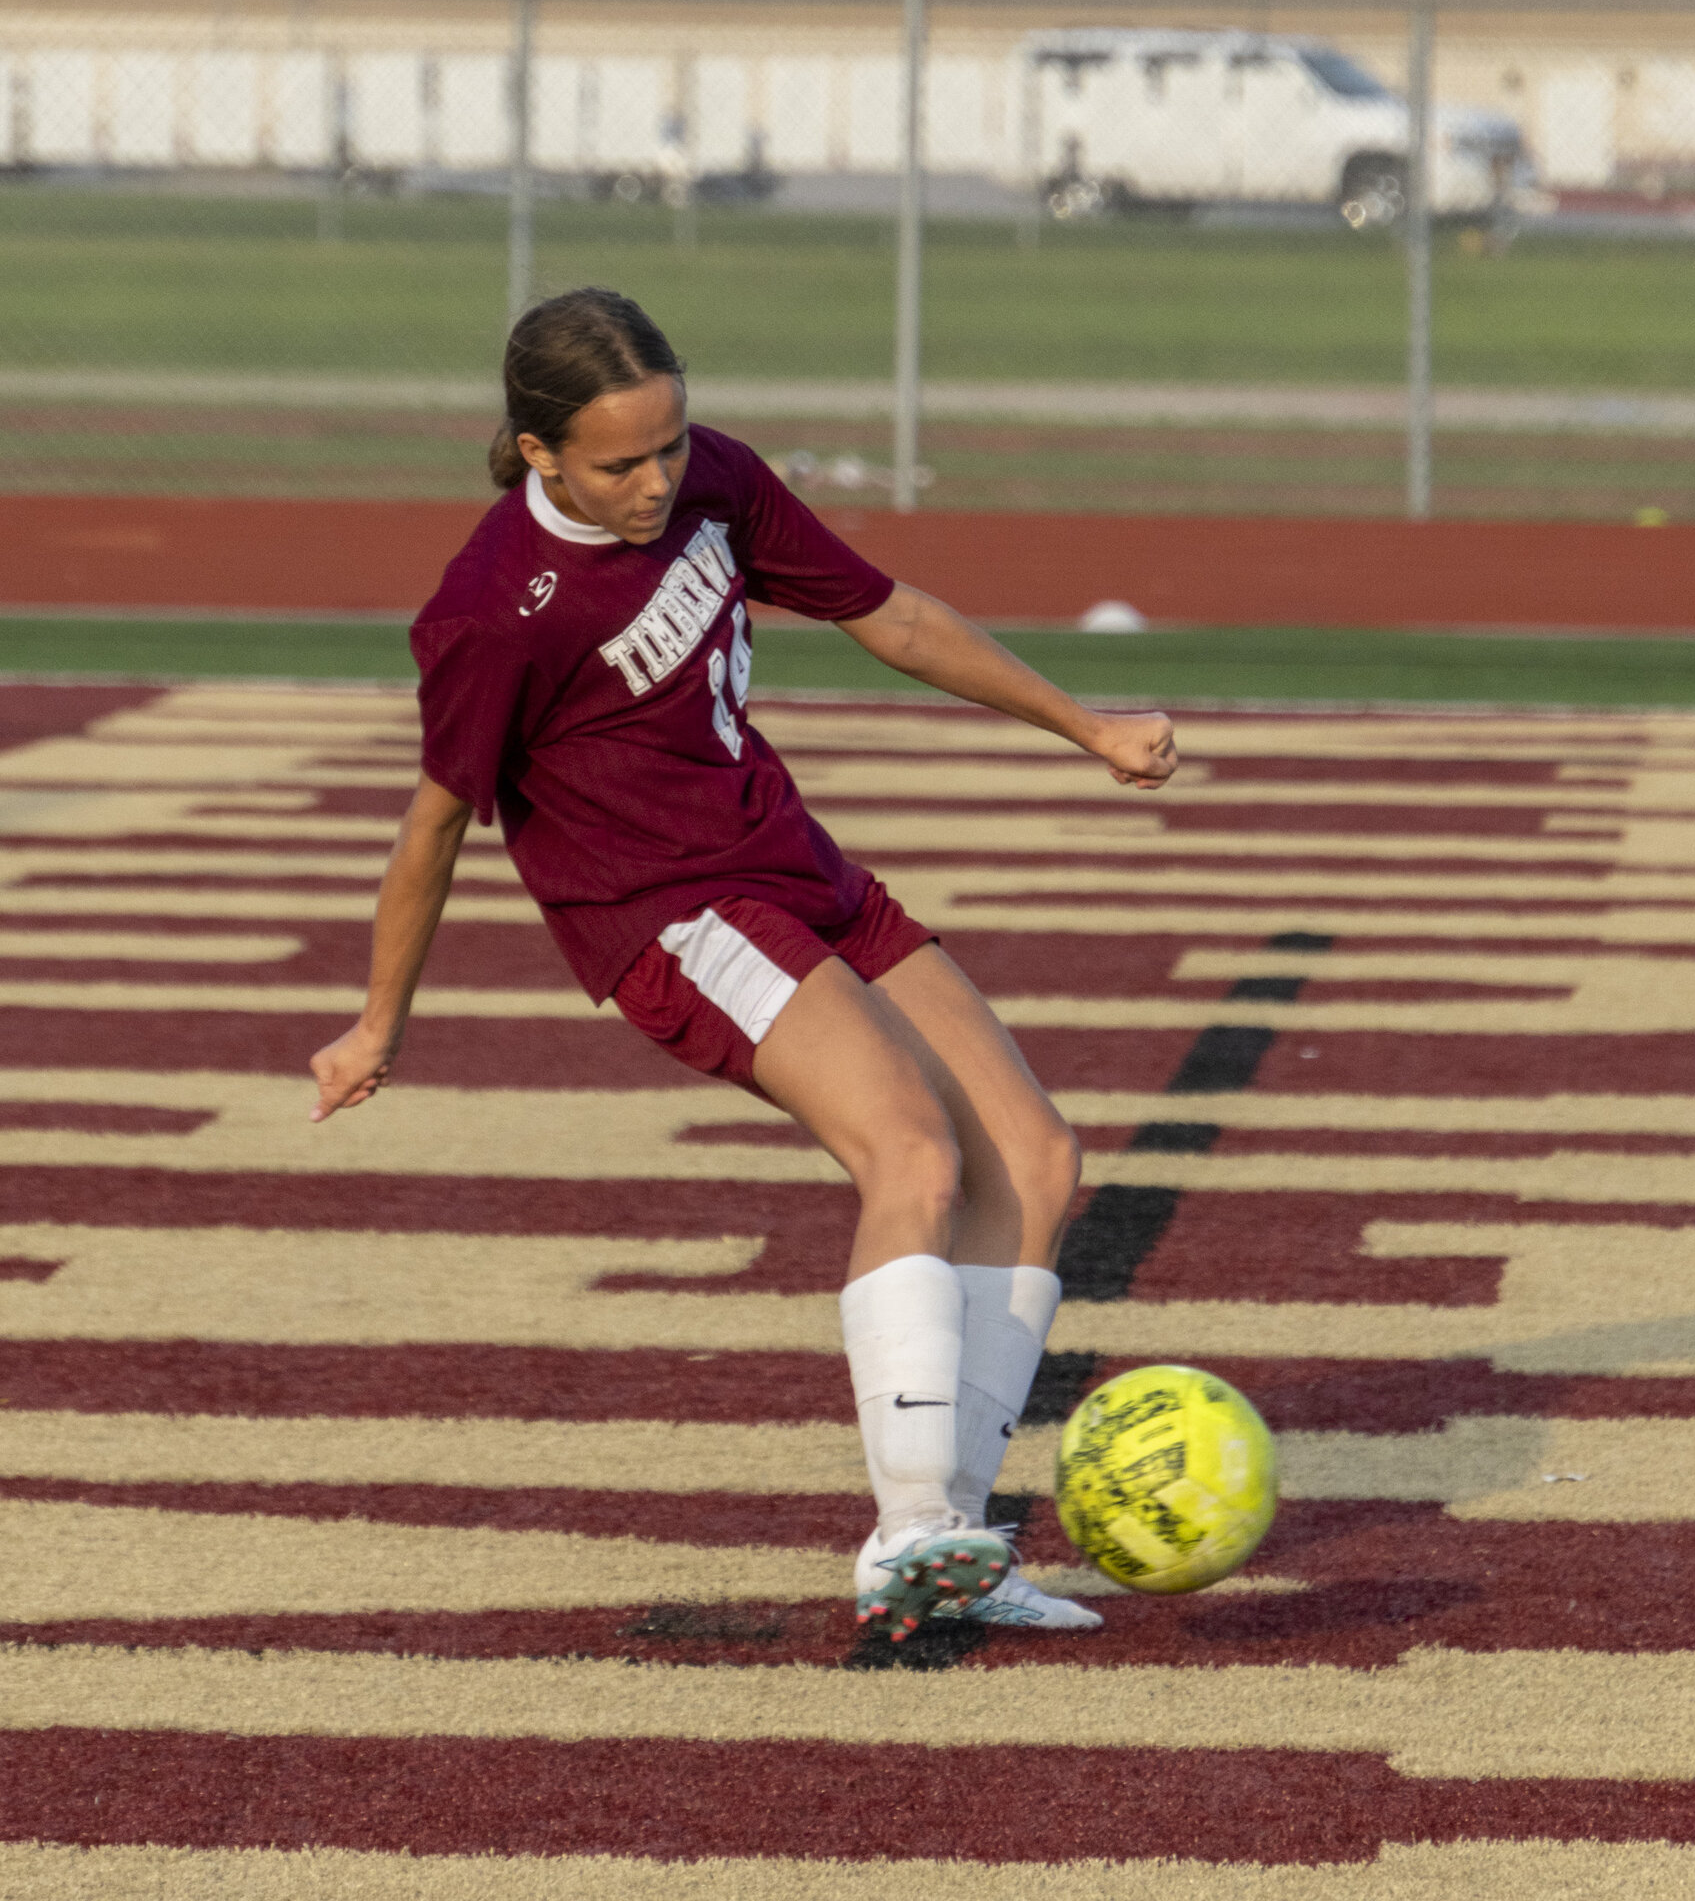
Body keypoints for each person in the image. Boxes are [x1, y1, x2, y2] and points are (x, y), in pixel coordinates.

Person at [309, 287, 1177, 1640]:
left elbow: (886, 616)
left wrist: (1087, 728)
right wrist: (378, 1023)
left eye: (669, 442)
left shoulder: (709, 479)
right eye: (618, 463)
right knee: (913, 1154)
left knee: (1039, 1163)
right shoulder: (494, 611)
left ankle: (952, 1532)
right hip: (664, 913)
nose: (656, 479)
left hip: (791, 863)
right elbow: (432, 827)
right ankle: (906, 1532)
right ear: (536, 450)